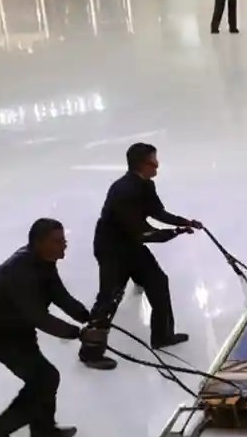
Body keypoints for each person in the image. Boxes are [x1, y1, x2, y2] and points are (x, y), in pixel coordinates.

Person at [0, 219, 106, 437]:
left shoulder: (44, 262)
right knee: (44, 378)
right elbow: (38, 317)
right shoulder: (20, 272)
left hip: (18, 328)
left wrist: (87, 316)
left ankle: (42, 430)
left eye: (64, 241)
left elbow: (59, 295)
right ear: (39, 243)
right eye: (57, 242)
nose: (63, 246)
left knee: (42, 377)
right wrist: (78, 333)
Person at [80, 142, 202, 370]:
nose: (157, 165)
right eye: (153, 162)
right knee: (109, 298)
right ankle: (90, 352)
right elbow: (142, 232)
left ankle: (162, 335)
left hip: (131, 244)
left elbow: (157, 212)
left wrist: (183, 222)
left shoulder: (146, 185)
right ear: (142, 164)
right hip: (113, 249)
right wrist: (173, 233)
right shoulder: (123, 191)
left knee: (158, 281)